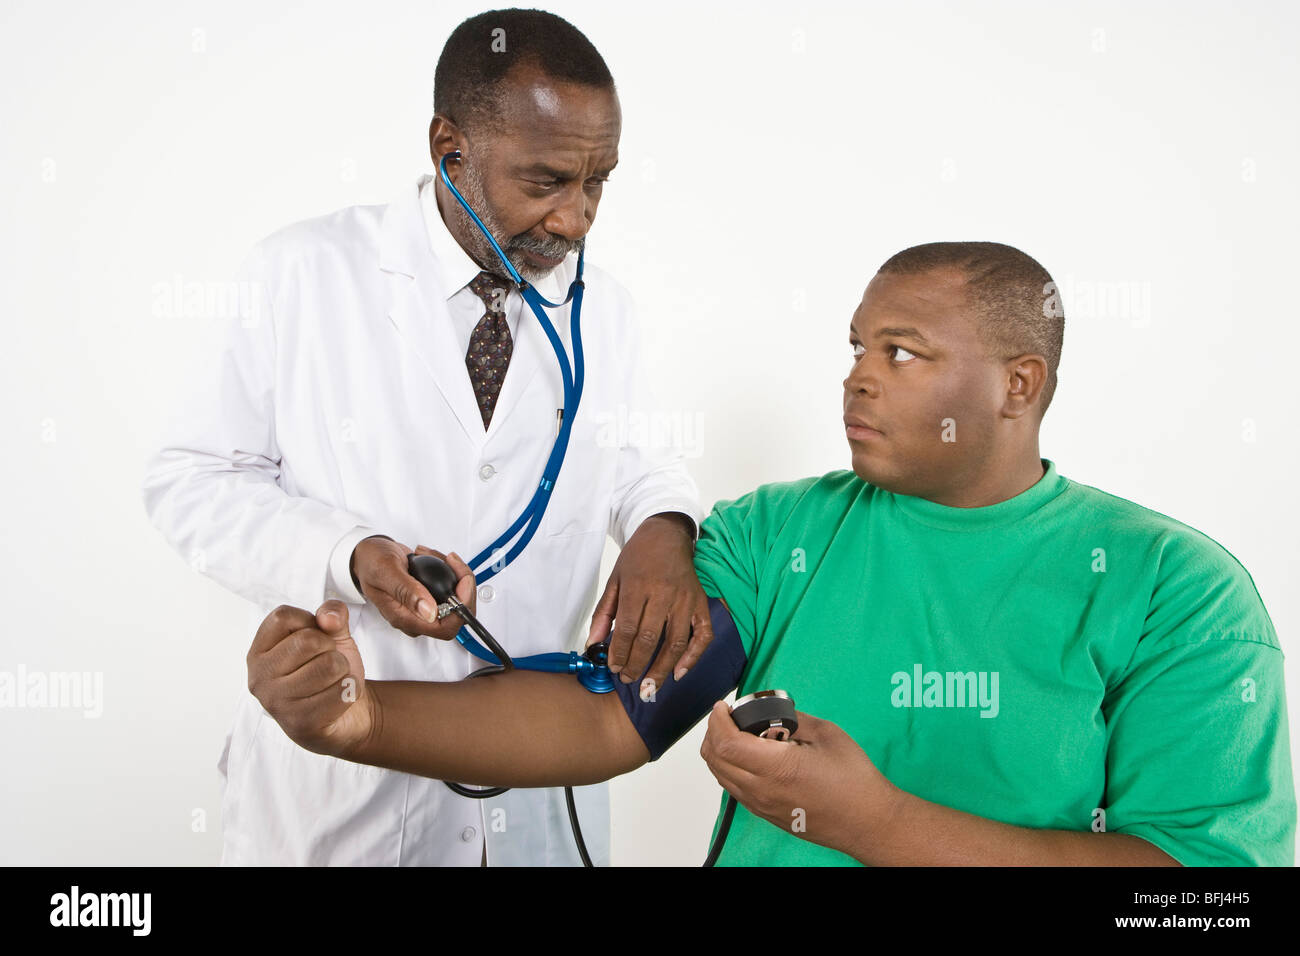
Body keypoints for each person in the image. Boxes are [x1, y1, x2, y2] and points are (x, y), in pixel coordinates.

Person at [245, 241, 1296, 866]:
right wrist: (360, 715)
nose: (857, 379)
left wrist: (877, 821)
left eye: (901, 353)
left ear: (1018, 385)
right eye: (854, 347)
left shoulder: (1177, 591)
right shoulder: (772, 531)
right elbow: (608, 713)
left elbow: (1194, 894)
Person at [142, 9, 712, 866]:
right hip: (348, 801)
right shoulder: (303, 272)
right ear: (450, 146)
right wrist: (348, 553)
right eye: (548, 180)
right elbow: (192, 480)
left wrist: (664, 530)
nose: (577, 220)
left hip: (536, 797)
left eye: (600, 182)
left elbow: (638, 462)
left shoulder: (604, 310)